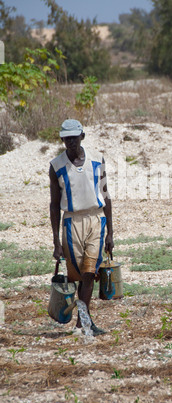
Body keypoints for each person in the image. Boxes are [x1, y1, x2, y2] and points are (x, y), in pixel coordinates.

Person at [49, 119, 114, 336]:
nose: (70, 142)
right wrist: (56, 241)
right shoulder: (56, 166)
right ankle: (82, 321)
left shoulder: (97, 159)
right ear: (62, 139)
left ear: (82, 136)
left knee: (89, 272)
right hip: (71, 222)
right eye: (66, 138)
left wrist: (111, 233)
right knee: (76, 273)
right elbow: (54, 204)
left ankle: (82, 324)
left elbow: (106, 195)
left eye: (74, 138)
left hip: (96, 219)